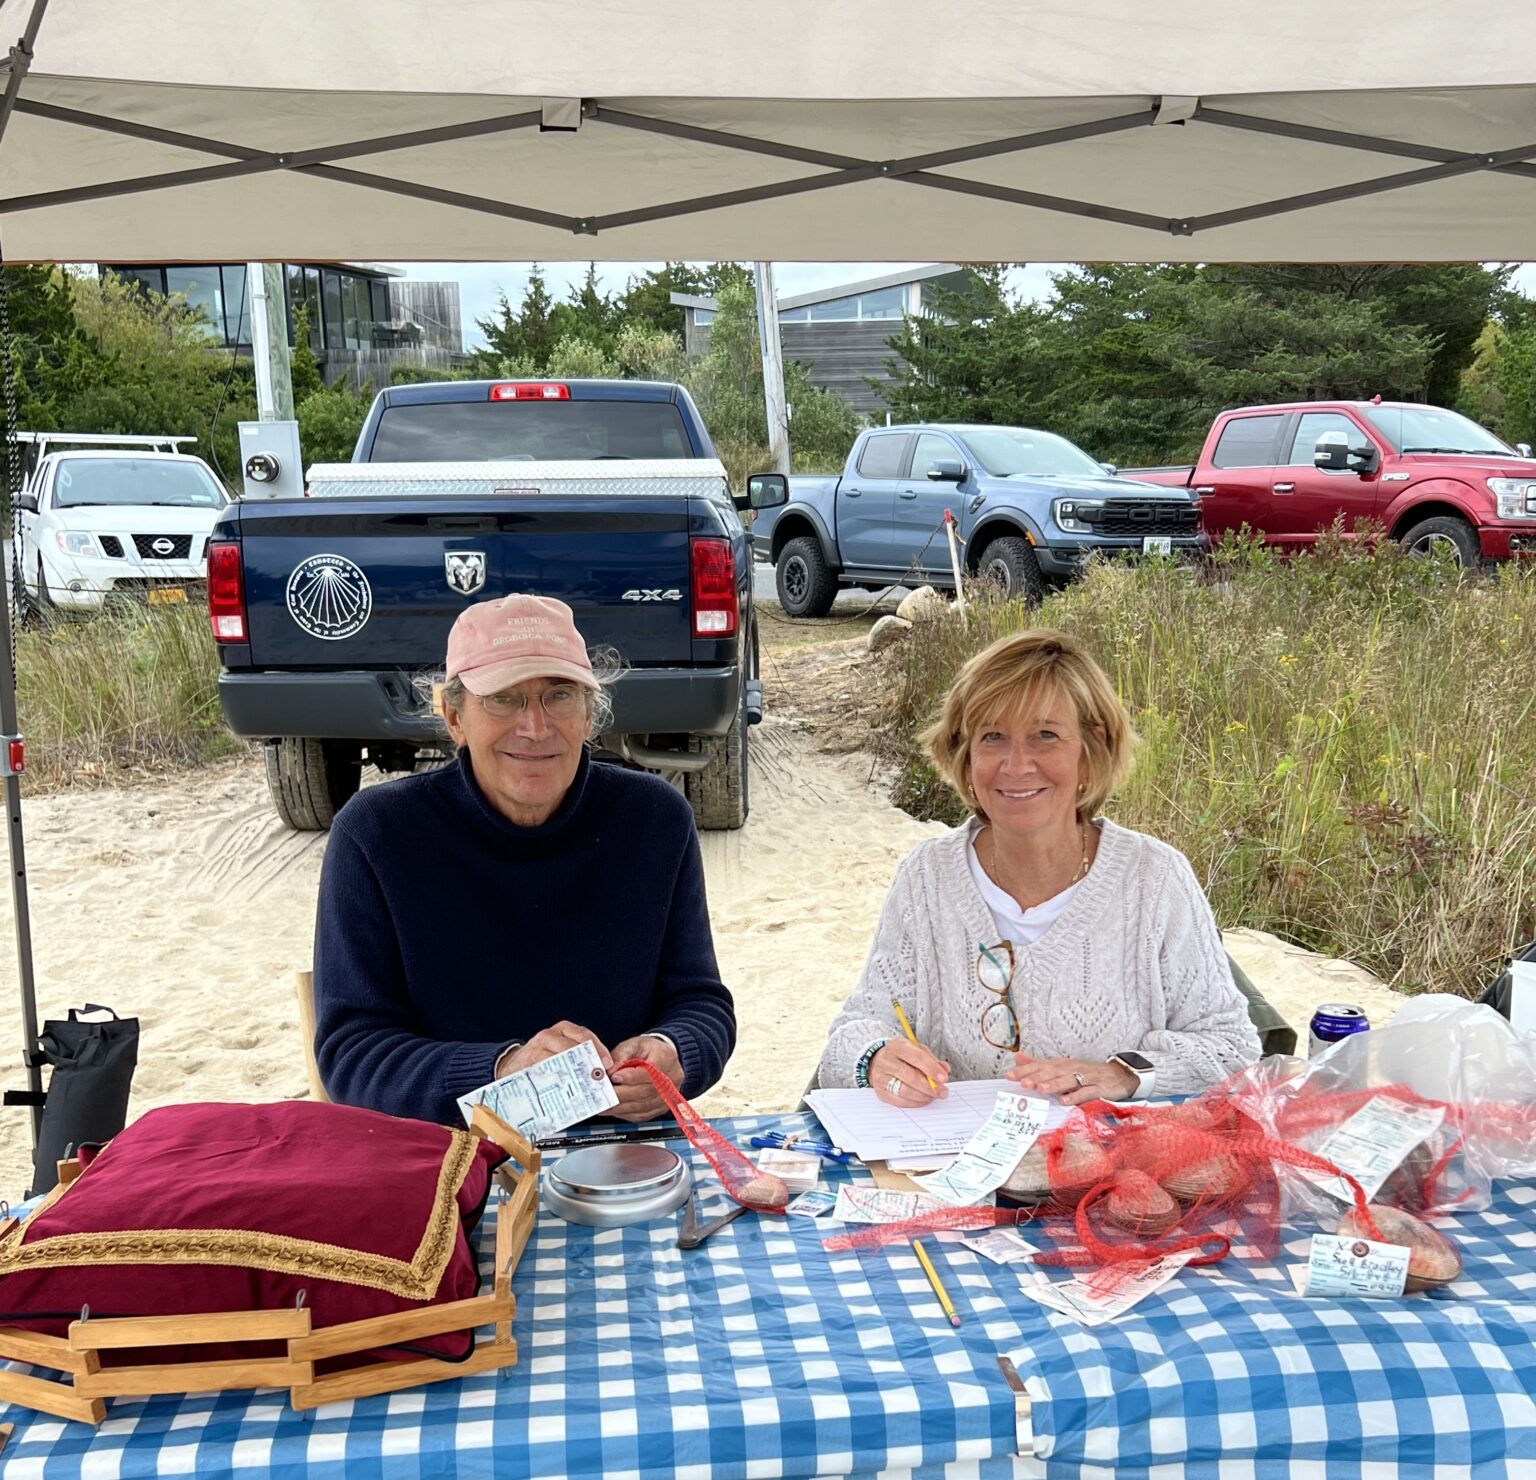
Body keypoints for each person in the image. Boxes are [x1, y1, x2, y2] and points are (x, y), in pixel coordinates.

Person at [313, 593, 736, 1126]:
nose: (535, 727)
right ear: (454, 717)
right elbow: (352, 1057)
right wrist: (504, 1070)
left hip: (622, 1152)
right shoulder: (375, 833)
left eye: (559, 695)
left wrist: (674, 1052)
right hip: (450, 1157)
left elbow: (702, 1003)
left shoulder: (655, 819)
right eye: (504, 698)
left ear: (589, 716)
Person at [818, 628, 1259, 1106]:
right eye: (993, 738)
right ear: (966, 761)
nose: (1016, 764)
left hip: (1108, 1170)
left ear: (1092, 752)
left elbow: (1233, 1047)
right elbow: (849, 1041)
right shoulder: (927, 877)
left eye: (1045, 735)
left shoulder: (1154, 879)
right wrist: (875, 1058)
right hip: (953, 1169)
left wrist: (1124, 1074)